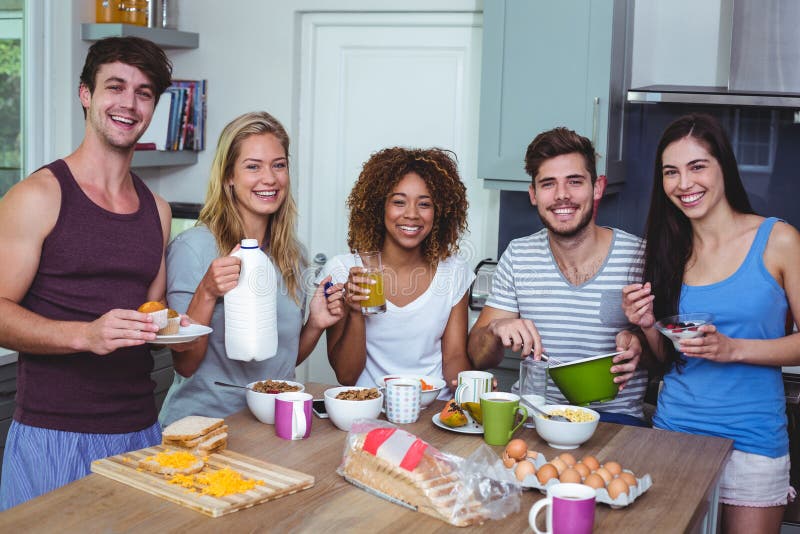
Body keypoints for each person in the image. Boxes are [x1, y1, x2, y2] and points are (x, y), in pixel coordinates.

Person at [0, 37, 175, 509]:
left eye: (143, 93)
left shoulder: (157, 210)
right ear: (85, 94)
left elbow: (152, 315)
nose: (128, 103)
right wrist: (85, 335)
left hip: (141, 433)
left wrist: (182, 324)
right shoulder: (38, 195)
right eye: (115, 87)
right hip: (53, 434)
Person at [622, 113, 800, 533]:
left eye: (697, 166)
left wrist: (733, 349)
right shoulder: (667, 250)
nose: (684, 183)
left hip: (752, 441)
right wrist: (646, 324)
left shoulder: (778, 240)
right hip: (675, 434)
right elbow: (667, 357)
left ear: (723, 166)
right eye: (671, 172)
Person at [158, 111, 343, 426]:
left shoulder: (293, 255)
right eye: (253, 166)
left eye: (278, 165)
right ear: (228, 176)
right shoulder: (193, 248)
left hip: (270, 425)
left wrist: (315, 324)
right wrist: (207, 292)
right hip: (202, 426)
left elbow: (279, 362)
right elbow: (185, 365)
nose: (269, 178)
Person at [467, 127, 648, 425]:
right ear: (533, 194)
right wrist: (496, 328)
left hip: (616, 420)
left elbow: (666, 357)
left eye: (574, 181)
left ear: (598, 187)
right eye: (548, 184)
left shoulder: (638, 256)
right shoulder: (519, 255)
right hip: (532, 416)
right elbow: (478, 356)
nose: (562, 195)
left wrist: (640, 344)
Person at [318, 147, 474, 394]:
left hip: (432, 405)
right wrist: (355, 312)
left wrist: (472, 388)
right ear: (379, 206)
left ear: (439, 212)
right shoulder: (343, 270)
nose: (412, 214)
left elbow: (454, 357)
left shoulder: (453, 271)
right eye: (399, 202)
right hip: (369, 405)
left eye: (425, 204)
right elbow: (346, 376)